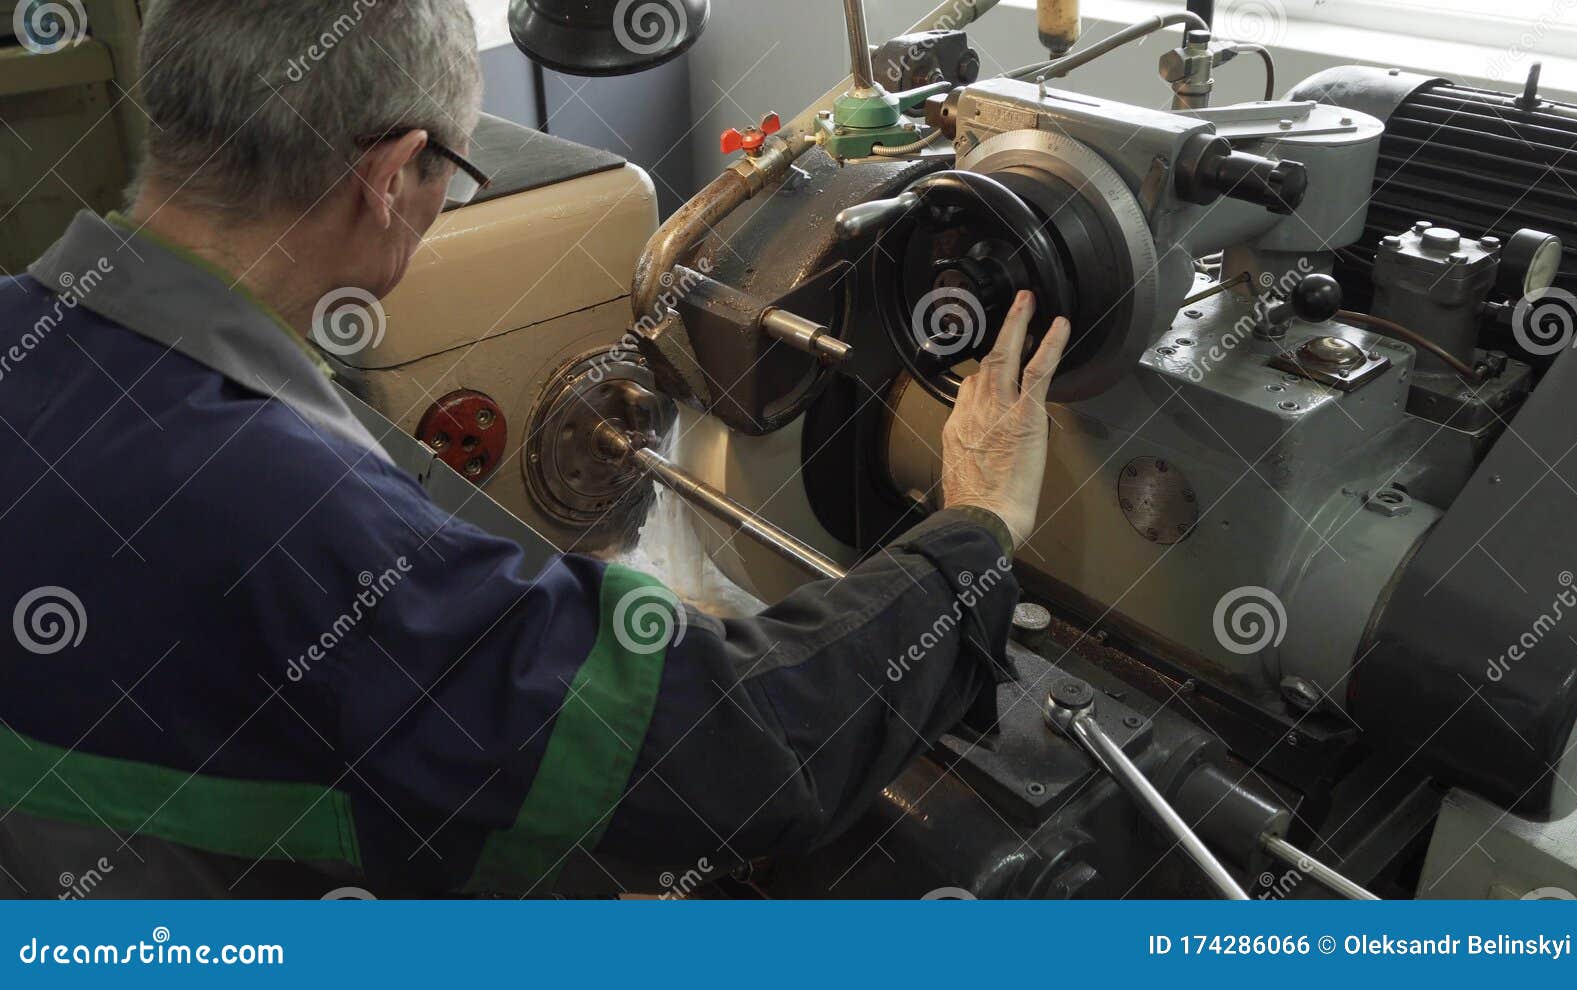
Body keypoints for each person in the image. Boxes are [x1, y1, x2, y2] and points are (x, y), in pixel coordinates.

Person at [0, 0, 1070, 898]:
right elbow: (742, 755)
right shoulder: (287, 505)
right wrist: (972, 529)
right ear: (392, 173)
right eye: (449, 180)